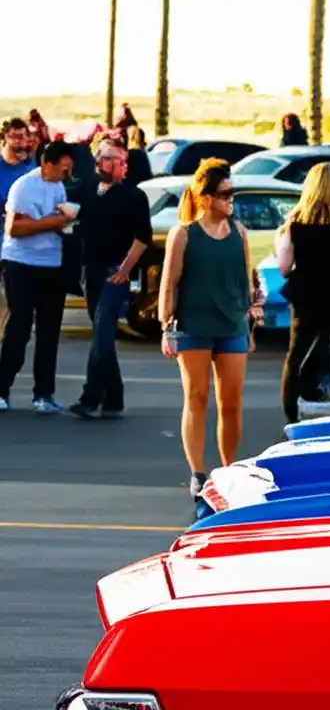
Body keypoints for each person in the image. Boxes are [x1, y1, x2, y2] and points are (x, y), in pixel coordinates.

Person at [157, 159, 254, 515]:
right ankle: (198, 473)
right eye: (225, 194)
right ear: (206, 197)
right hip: (194, 326)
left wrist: (250, 320)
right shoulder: (183, 234)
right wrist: (167, 325)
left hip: (231, 325)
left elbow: (245, 280)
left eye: (232, 193)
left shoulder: (239, 232)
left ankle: (229, 470)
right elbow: (169, 283)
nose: (231, 200)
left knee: (231, 401)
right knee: (196, 396)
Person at [275, 162, 330, 425]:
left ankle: (291, 413)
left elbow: (283, 267)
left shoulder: (296, 221)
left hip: (308, 295)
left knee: (296, 355)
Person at [67, 139, 151, 420]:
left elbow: (143, 239)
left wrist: (125, 270)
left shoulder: (134, 196)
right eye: (106, 158)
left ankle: (90, 397)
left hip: (115, 273)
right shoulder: (88, 191)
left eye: (118, 159)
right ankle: (114, 397)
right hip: (90, 271)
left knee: (103, 332)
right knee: (102, 336)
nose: (112, 164)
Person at [0, 140, 76, 414]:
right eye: (63, 169)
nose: (66, 175)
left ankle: (44, 393)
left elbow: (55, 220)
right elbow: (14, 228)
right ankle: (2, 388)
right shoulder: (24, 185)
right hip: (21, 263)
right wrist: (54, 222)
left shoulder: (58, 186)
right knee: (19, 327)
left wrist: (64, 224)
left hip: (51, 263)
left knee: (49, 330)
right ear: (47, 164)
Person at [0, 119, 36, 230]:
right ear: (5, 137)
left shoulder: (30, 166)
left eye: (22, 137)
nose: (17, 140)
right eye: (13, 136)